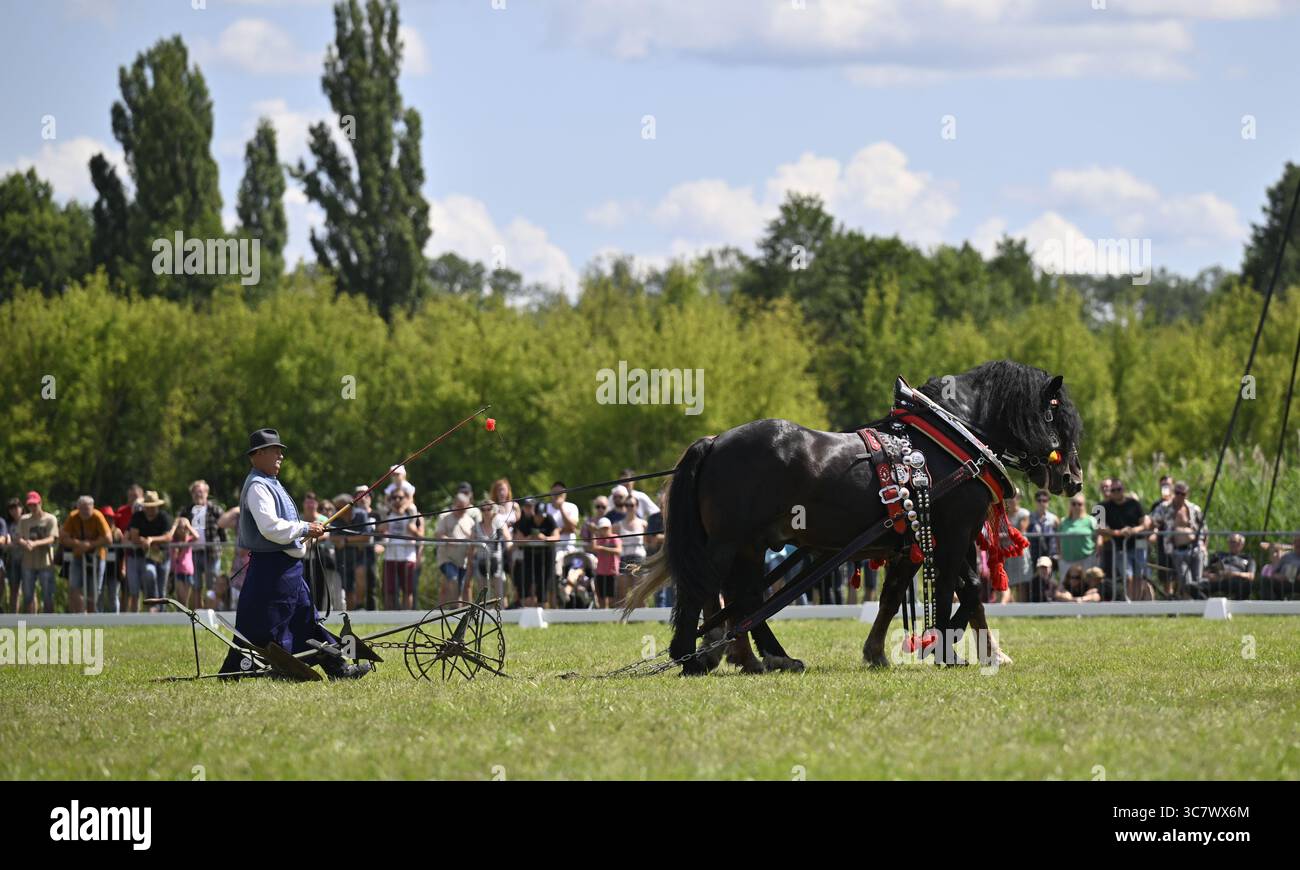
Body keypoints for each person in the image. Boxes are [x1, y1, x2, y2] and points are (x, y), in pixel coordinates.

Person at [218, 428, 370, 679]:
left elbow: (281, 529)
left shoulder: (271, 484)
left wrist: (304, 532)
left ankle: (338, 669)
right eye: (275, 452)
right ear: (258, 454)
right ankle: (249, 670)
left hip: (286, 570)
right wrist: (304, 528)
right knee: (264, 626)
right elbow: (270, 528)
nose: (281, 457)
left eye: (281, 452)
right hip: (271, 571)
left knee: (306, 621)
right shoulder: (258, 486)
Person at [1098, 479, 1150, 600]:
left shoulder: (1134, 503)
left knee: (1139, 576)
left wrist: (1132, 531)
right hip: (1120, 549)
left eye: (1119, 489)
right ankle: (1130, 605)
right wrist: (1118, 533)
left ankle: (1136, 604)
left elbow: (1144, 524)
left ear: (1123, 489)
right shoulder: (1101, 507)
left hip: (1138, 546)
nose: (1116, 492)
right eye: (1113, 490)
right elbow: (1099, 529)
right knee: (1128, 577)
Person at [1150, 481, 1203, 598]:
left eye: (1182, 494)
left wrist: (1204, 546)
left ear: (1187, 494)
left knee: (1198, 580)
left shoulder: (1194, 509)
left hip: (1195, 549)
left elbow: (1203, 528)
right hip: (1176, 551)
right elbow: (1152, 521)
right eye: (1177, 493)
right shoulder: (1164, 507)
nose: (1179, 496)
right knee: (1186, 581)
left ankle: (1198, 607)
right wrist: (1149, 533)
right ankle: (1189, 604)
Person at [60, 496, 112, 613]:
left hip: (97, 557)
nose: (85, 512)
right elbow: (63, 538)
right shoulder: (73, 516)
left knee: (94, 591)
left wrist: (90, 545)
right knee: (74, 587)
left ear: (93, 508)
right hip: (78, 557)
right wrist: (78, 544)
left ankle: (93, 618)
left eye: (87, 509)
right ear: (78, 508)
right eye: (82, 509)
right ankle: (81, 617)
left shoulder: (98, 516)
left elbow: (109, 539)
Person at [179, 480, 225, 607]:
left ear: (206, 492)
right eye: (195, 492)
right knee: (196, 586)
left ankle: (213, 613)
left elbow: (223, 530)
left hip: (212, 553)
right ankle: (199, 616)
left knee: (213, 586)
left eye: (200, 491)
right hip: (192, 554)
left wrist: (222, 546)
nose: (198, 494)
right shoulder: (186, 511)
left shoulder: (215, 509)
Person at [128, 491, 173, 612]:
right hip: (147, 557)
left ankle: (162, 613)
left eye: (153, 506)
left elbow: (168, 537)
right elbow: (133, 536)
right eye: (148, 506)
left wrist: (151, 540)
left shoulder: (164, 517)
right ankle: (153, 606)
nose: (151, 509)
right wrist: (143, 541)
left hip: (164, 557)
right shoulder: (137, 517)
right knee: (149, 573)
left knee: (162, 586)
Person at [17, 491, 58, 614]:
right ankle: (30, 622)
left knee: (48, 594)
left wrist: (35, 544)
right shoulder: (24, 520)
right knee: (28, 595)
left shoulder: (50, 519)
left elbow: (52, 538)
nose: (33, 507)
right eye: (30, 505)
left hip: (45, 562)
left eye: (35, 504)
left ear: (40, 503)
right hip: (28, 562)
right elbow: (18, 537)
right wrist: (24, 543)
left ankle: (50, 621)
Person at [514, 499, 557, 607]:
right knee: (525, 583)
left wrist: (545, 538)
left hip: (546, 558)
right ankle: (527, 610)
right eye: (537, 515)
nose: (539, 518)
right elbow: (518, 540)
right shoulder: (526, 521)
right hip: (530, 558)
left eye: (541, 516)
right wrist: (530, 538)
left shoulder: (549, 520)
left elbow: (557, 537)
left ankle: (543, 610)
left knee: (543, 585)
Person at [385, 489, 424, 609]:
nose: (397, 500)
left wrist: (411, 528)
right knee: (389, 590)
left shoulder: (414, 515)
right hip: (390, 557)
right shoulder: (387, 514)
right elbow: (380, 530)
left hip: (408, 557)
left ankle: (407, 616)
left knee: (408, 590)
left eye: (400, 498)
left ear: (407, 499)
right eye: (394, 497)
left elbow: (421, 536)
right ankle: (389, 617)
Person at [432, 492, 473, 605]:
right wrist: (449, 540)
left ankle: (459, 609)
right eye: (460, 507)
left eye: (465, 507)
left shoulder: (469, 520)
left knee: (462, 586)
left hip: (463, 561)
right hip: (447, 558)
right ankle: (454, 609)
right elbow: (438, 534)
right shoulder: (444, 517)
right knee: (453, 579)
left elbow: (473, 538)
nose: (462, 510)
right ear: (455, 504)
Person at [1057, 493, 1099, 580]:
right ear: (1070, 505)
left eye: (1079, 504)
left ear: (1084, 505)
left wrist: (1096, 553)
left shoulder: (1091, 520)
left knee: (1087, 583)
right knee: (1066, 584)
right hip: (1066, 560)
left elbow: (1098, 537)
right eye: (1074, 504)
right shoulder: (1063, 521)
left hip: (1087, 559)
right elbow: (1058, 538)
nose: (1076, 506)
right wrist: (1059, 553)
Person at [1203, 533, 1254, 600]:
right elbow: (1205, 572)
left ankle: (1236, 607)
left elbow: (1250, 576)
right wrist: (1211, 576)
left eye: (1234, 542)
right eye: (1229, 542)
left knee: (1246, 586)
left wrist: (1233, 574)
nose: (1231, 544)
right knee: (1193, 586)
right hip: (1217, 580)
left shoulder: (1248, 558)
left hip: (1235, 582)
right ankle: (1205, 606)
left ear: (1241, 544)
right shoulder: (1218, 555)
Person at [591, 516, 622, 608]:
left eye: (606, 528)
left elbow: (618, 550)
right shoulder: (599, 538)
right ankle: (604, 619)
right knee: (602, 598)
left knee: (613, 598)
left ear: (610, 528)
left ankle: (614, 619)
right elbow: (593, 547)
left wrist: (602, 548)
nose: (604, 530)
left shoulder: (614, 538)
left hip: (612, 572)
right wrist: (593, 532)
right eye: (602, 529)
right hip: (601, 572)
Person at [170, 516, 199, 608]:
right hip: (178, 572)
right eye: (180, 528)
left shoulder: (189, 539)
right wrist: (175, 525)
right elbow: (169, 536)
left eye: (183, 528)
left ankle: (185, 618)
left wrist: (188, 525)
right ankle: (180, 617)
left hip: (188, 572)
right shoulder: (173, 541)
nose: (181, 530)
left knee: (185, 600)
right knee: (180, 598)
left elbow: (197, 536)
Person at [1026, 489, 1059, 567]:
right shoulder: (1029, 517)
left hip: (1050, 554)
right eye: (1039, 500)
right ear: (1035, 502)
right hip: (1033, 555)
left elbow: (1058, 537)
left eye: (1044, 500)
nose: (1041, 503)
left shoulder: (1054, 518)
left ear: (1048, 502)